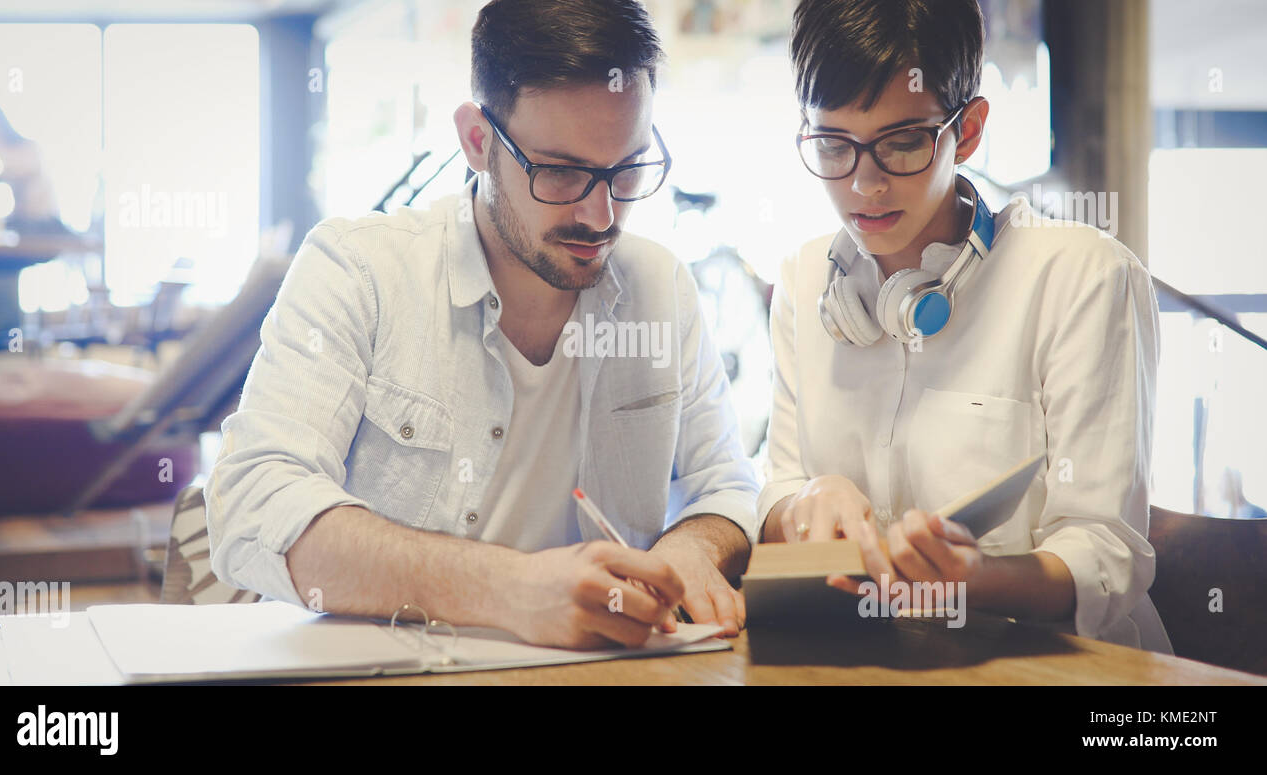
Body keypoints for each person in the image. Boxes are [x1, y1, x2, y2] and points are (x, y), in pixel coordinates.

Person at [205, 0, 760, 650]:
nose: (601, 214)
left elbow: (726, 481)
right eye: (561, 171)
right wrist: (510, 588)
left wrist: (695, 544)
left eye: (627, 168)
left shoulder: (660, 286)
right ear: (477, 140)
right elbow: (251, 507)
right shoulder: (358, 270)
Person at [759, 0, 1171, 651]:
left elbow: (1105, 553)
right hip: (879, 658)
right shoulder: (806, 278)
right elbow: (776, 489)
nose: (864, 185)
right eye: (833, 145)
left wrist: (973, 578)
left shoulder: (1082, 277)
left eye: (901, 144)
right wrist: (806, 503)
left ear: (969, 130)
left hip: (1063, 664)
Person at [0, 104, 67, 235]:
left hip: (42, 216)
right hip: (22, 216)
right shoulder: (0, 147)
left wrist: (0, 177)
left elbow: (25, 175)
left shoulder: (29, 146)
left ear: (0, 122)